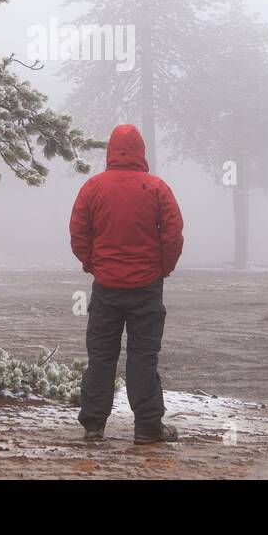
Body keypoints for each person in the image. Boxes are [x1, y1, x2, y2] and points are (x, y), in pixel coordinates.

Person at [69, 123, 184, 444]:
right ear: (140, 152)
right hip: (146, 288)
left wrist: (94, 264)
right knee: (143, 356)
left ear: (110, 152)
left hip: (106, 288)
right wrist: (163, 267)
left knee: (101, 356)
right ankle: (147, 427)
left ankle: (94, 425)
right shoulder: (156, 188)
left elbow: (79, 233)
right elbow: (172, 234)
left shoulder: (93, 188)